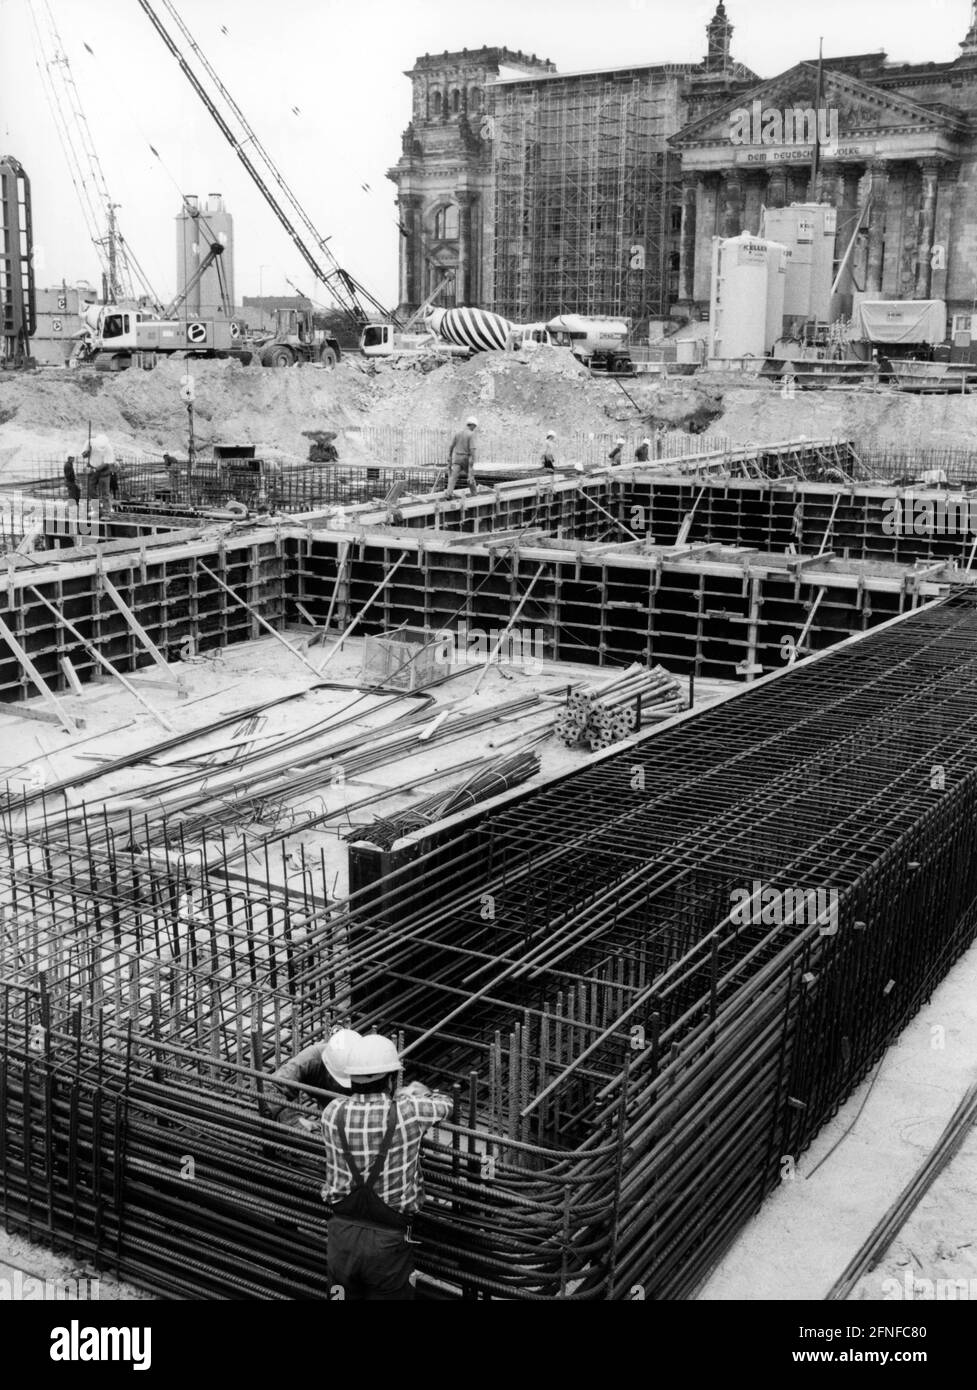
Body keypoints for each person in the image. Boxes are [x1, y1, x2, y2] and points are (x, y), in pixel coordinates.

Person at [321, 1033, 452, 1300]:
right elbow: (447, 1104)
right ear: (391, 1079)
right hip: (388, 1246)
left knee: (338, 1297)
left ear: (351, 1078)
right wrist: (420, 1091)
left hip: (340, 1242)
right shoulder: (410, 1111)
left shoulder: (332, 1113)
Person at [269, 1027, 362, 1129]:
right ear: (327, 1064)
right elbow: (270, 1088)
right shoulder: (311, 1059)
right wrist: (294, 1120)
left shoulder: (370, 1067)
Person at [445, 416, 478, 499]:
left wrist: (449, 456)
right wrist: (471, 464)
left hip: (457, 458)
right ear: (472, 425)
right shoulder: (471, 434)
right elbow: (472, 450)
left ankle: (449, 493)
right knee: (470, 476)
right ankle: (474, 494)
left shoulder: (458, 433)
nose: (475, 428)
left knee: (453, 477)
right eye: (475, 426)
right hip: (466, 458)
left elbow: (451, 446)